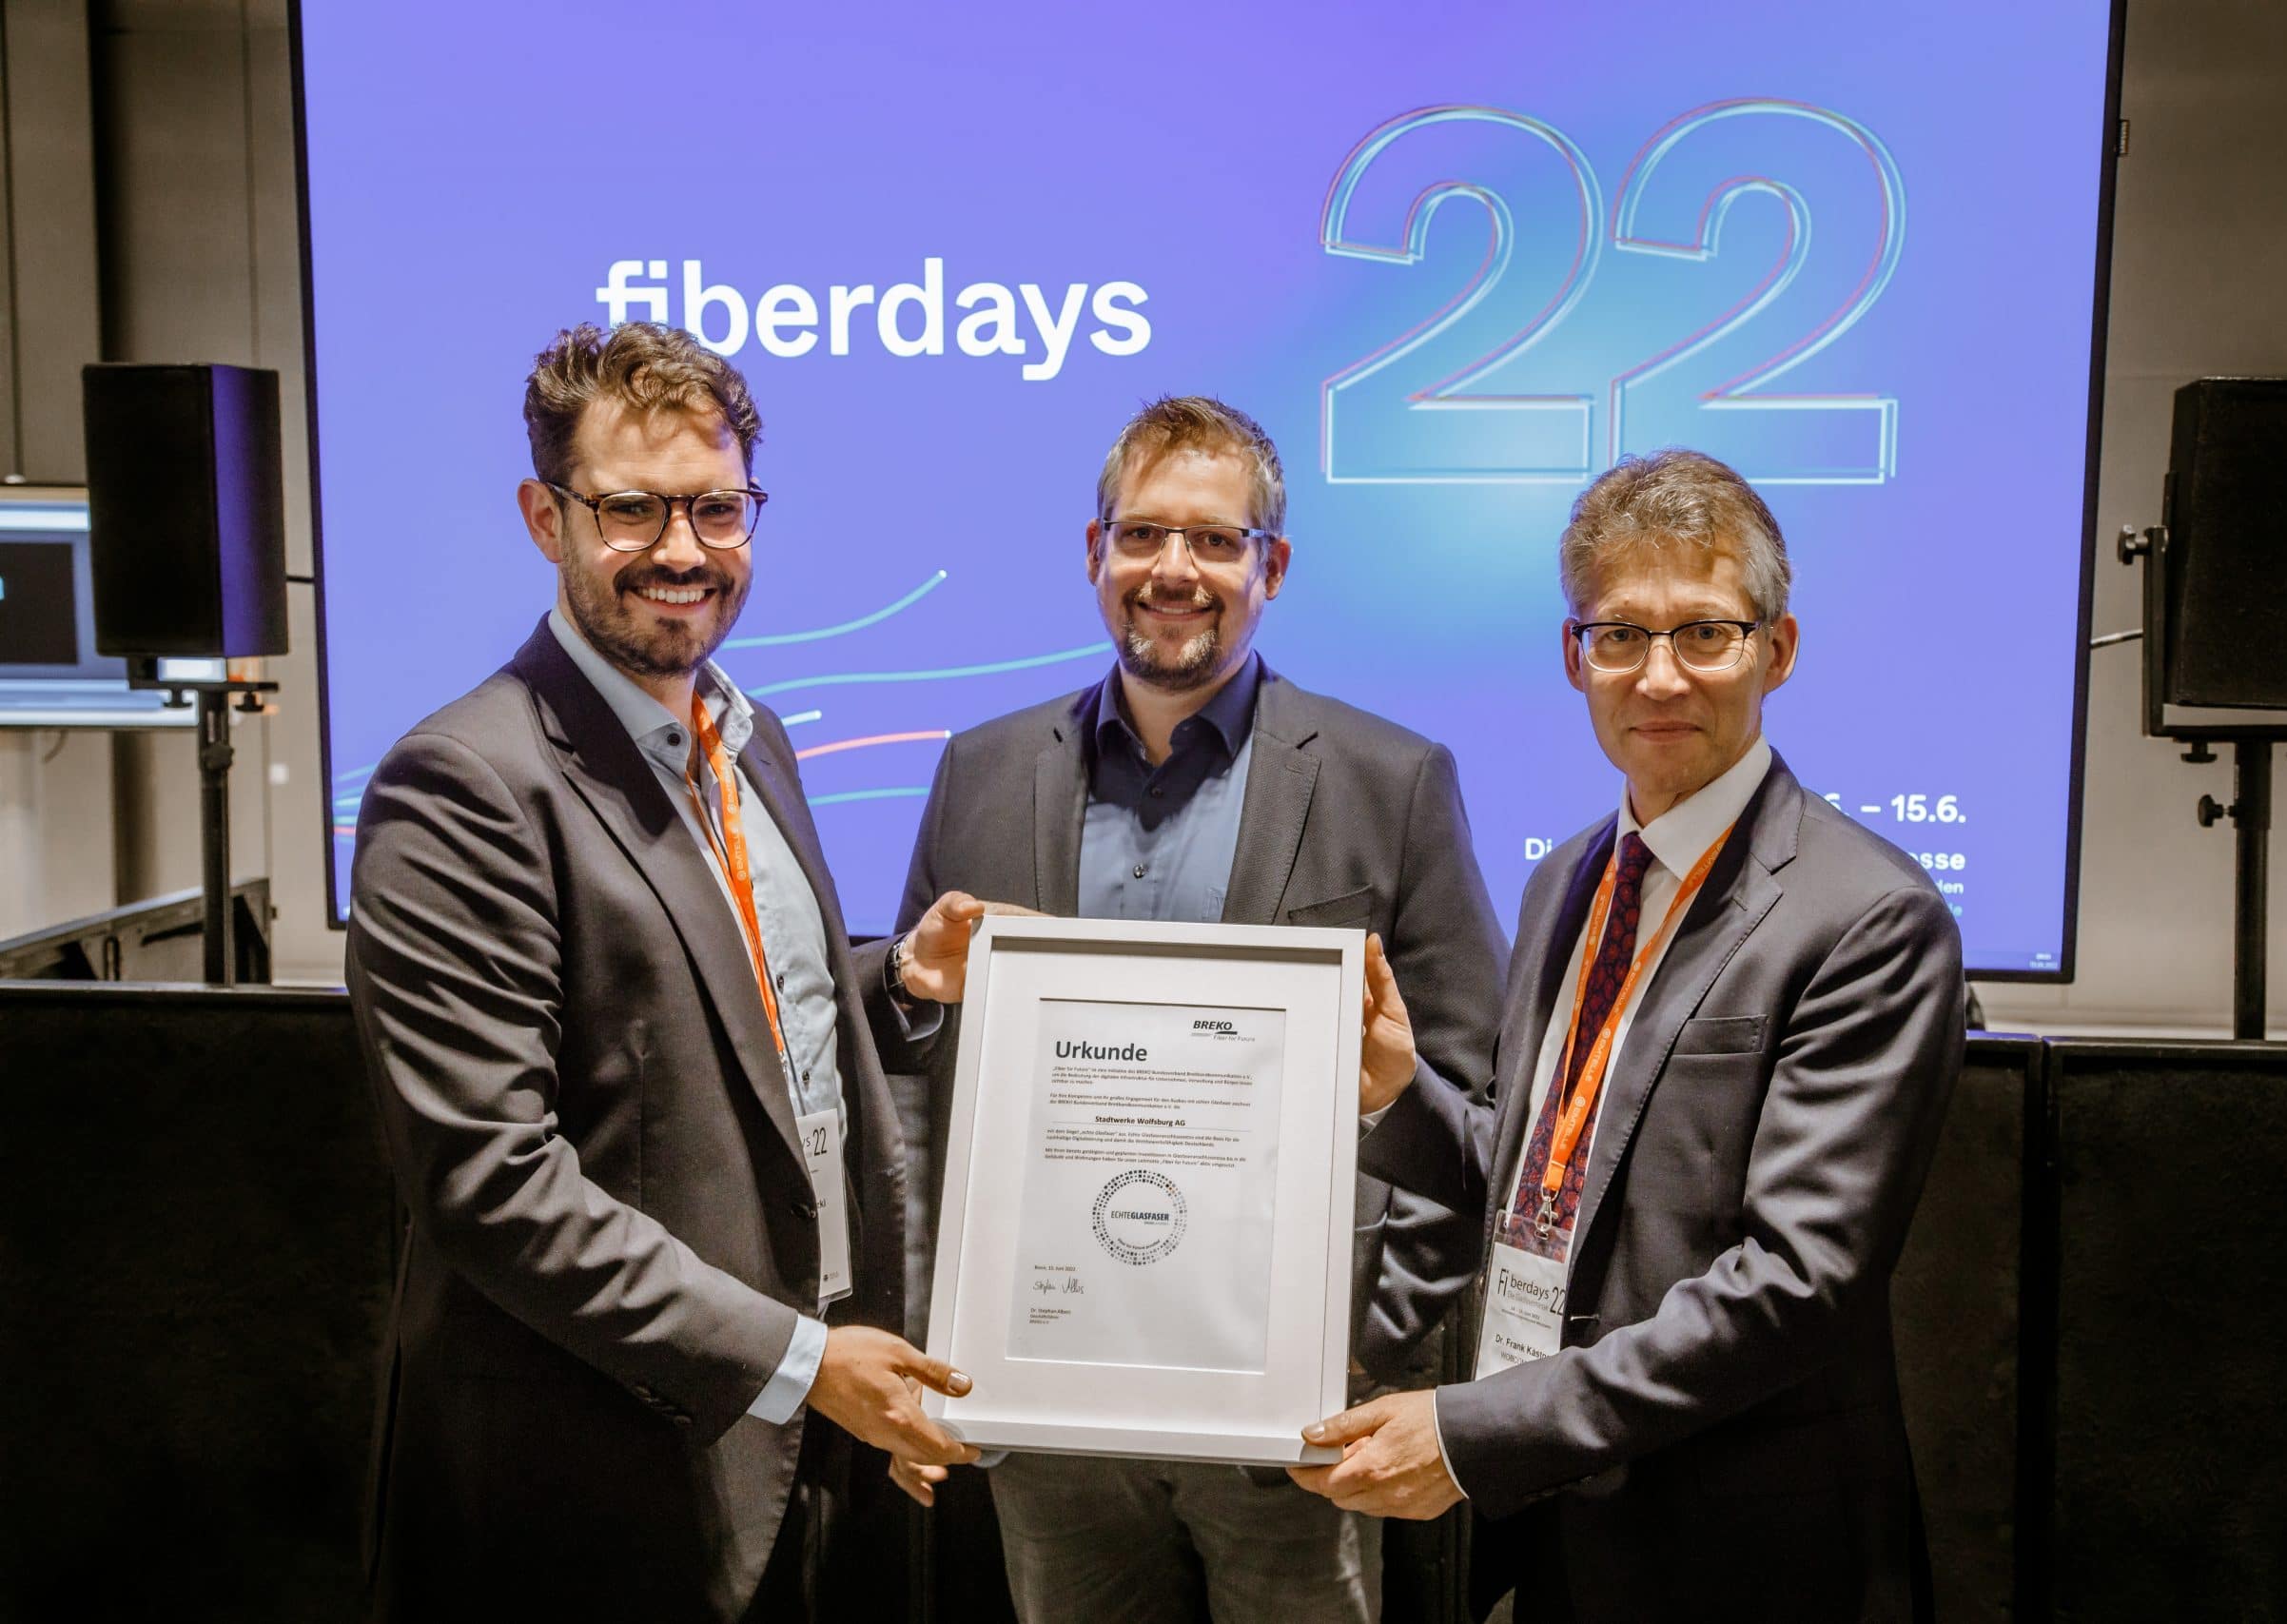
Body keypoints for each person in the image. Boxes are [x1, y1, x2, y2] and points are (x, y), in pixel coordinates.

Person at [346, 322, 994, 1623]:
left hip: (799, 1446)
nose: (684, 549)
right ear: (546, 516)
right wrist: (799, 1359)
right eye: (632, 508)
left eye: (717, 507)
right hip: (598, 1483)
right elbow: (491, 1183)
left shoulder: (749, 740)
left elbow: (728, 1031)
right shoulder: (464, 782)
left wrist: (894, 985)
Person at [1294, 449, 1965, 1622]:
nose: (1659, 676)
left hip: (1742, 1548)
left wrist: (1481, 1433)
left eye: (1703, 632)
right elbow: (1551, 1187)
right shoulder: (1566, 879)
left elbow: (1796, 1285)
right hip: (1558, 1518)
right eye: (1620, 635)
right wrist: (1397, 1094)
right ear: (1575, 657)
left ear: (1776, 649)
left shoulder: (1868, 916)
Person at [888, 396, 1509, 1622]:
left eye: (1216, 541)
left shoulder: (1391, 781)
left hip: (1293, 1426)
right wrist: (925, 1340)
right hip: (1045, 1408)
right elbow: (915, 1093)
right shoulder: (981, 770)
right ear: (1095, 551)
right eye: (1142, 534)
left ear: (1270, 567)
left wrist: (1364, 1345)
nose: (1173, 570)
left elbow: (1466, 1107)